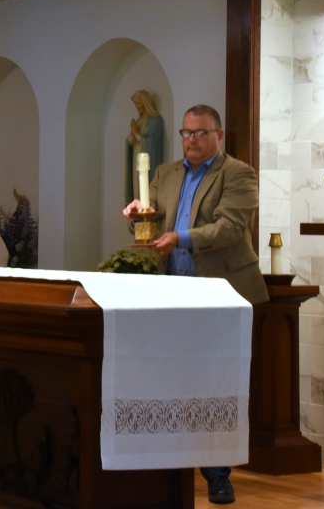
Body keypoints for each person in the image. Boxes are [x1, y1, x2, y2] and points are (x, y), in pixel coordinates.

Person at [122, 104, 267, 505]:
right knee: (169, 378)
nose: (191, 140)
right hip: (172, 292)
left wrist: (179, 238)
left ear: (218, 135)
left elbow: (230, 228)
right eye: (186, 133)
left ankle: (217, 475)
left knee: (215, 384)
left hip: (220, 292)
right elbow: (153, 220)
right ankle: (165, 469)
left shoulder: (237, 174)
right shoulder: (166, 173)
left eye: (200, 133)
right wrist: (137, 216)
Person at [124, 90, 165, 207]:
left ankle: (146, 208)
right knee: (137, 186)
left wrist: (136, 133)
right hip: (136, 157)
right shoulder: (139, 121)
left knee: (145, 186)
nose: (137, 107)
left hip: (148, 158)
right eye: (135, 104)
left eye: (138, 103)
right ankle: (137, 207)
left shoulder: (155, 120)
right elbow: (132, 142)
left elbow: (153, 143)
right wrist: (131, 137)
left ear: (145, 102)